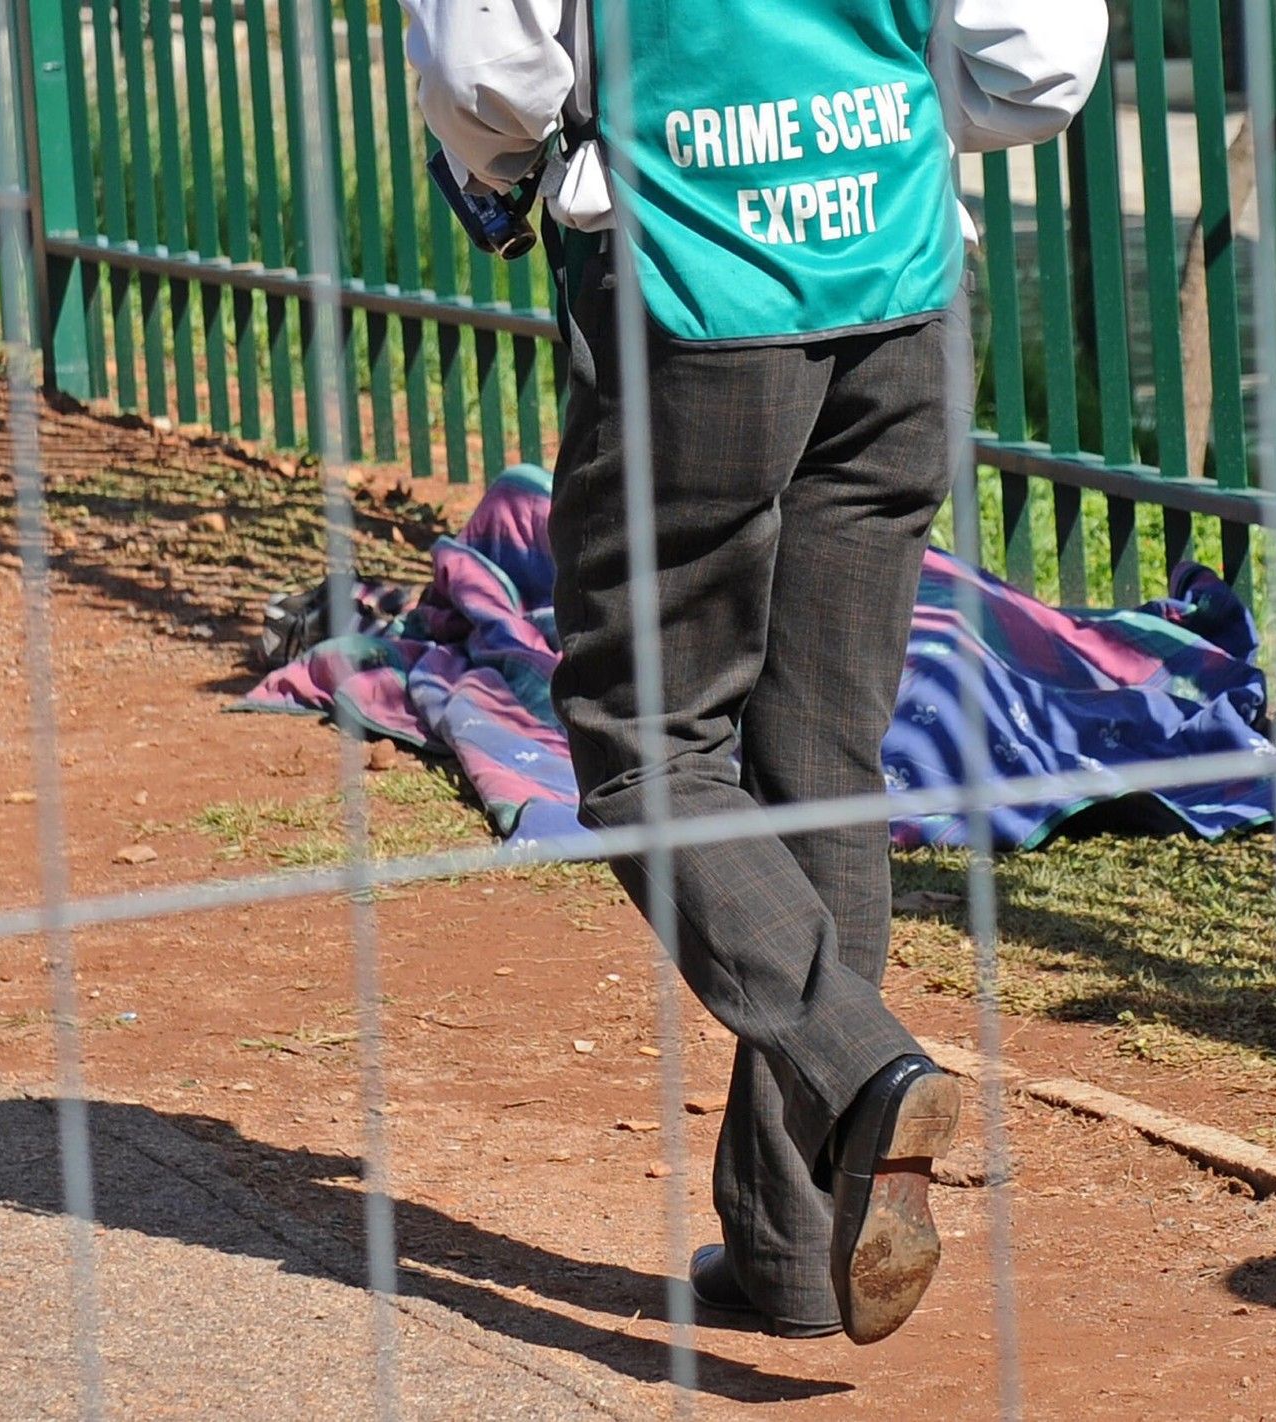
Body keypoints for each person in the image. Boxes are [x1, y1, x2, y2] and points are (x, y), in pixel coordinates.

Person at [405, 0, 1106, 1345]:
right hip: (898, 290)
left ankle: (863, 1069)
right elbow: (1038, 62)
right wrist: (862, 134)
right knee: (820, 760)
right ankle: (790, 1249)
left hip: (691, 293)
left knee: (642, 745)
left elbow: (484, 70)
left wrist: (532, 169)